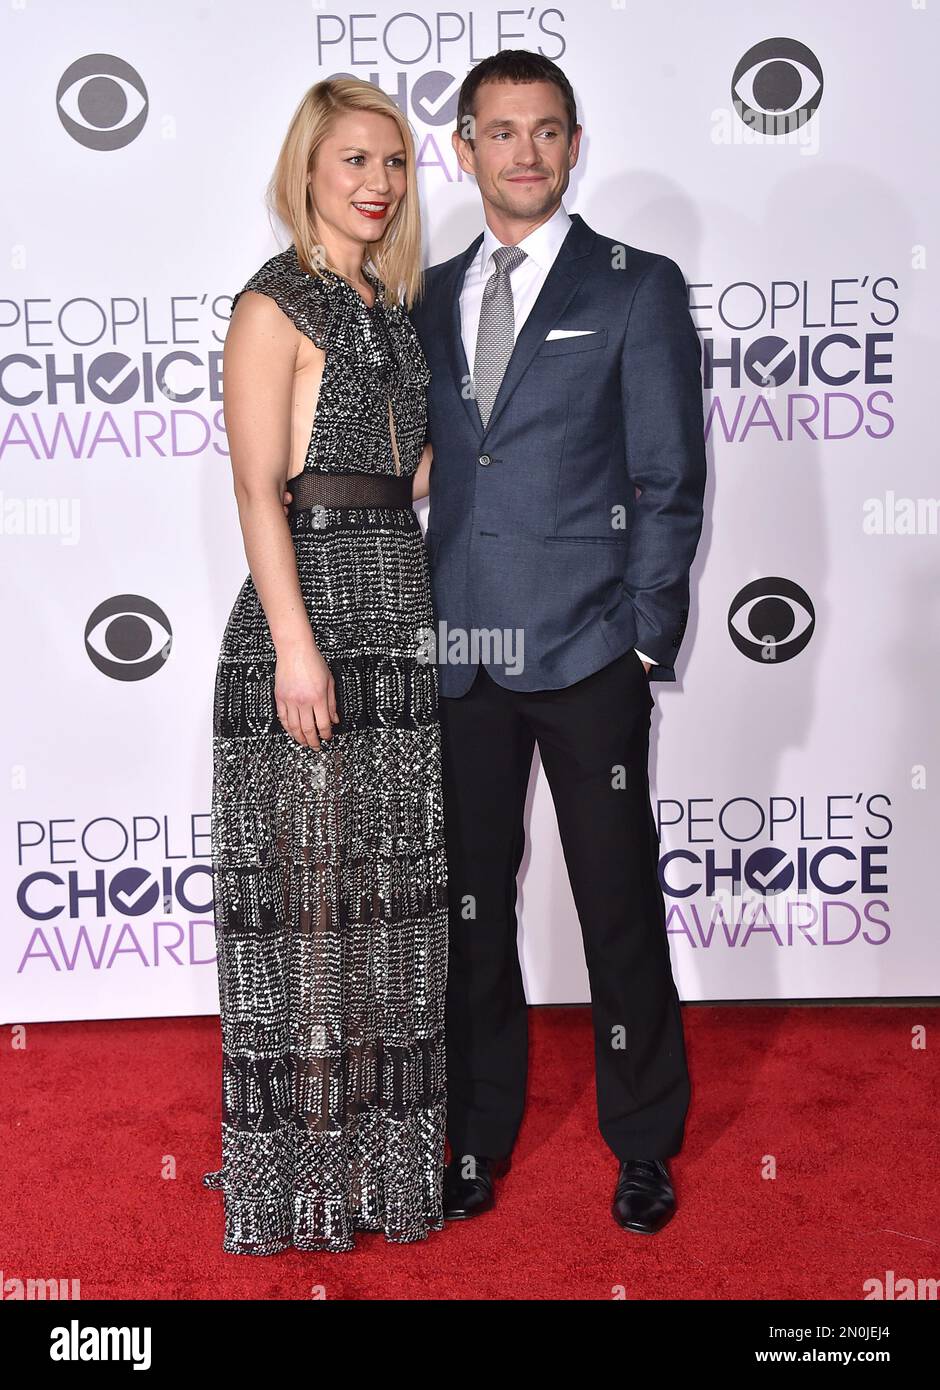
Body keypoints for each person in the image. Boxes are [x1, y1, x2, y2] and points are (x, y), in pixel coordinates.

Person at [407, 50, 707, 1235]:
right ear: (465, 147)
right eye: (499, 131)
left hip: (588, 655)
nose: (522, 152)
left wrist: (641, 639)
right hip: (458, 658)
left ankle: (643, 1142)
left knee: (617, 907)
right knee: (470, 912)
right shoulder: (426, 297)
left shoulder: (634, 285)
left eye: (545, 131)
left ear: (574, 145)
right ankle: (474, 1140)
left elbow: (669, 476)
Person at [202, 78, 447, 1255]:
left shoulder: (388, 307)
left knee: (386, 911)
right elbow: (257, 489)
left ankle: (380, 1171)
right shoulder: (274, 303)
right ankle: (295, 1180)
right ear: (308, 167)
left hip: (398, 618)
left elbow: (414, 470)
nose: (376, 183)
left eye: (393, 163)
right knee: (303, 921)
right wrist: (297, 649)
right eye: (353, 159)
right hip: (306, 624)